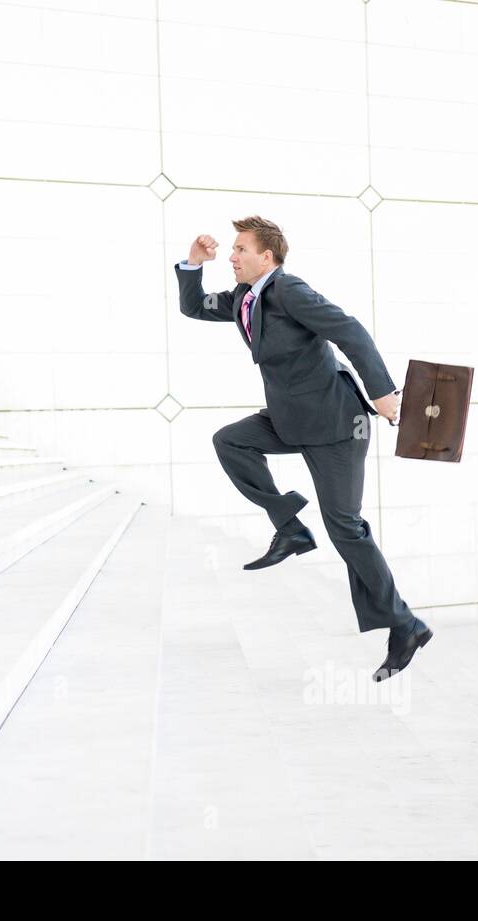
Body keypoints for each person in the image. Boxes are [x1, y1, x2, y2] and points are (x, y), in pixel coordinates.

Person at [174, 216, 431, 681]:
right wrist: (193, 264)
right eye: (231, 250)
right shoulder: (242, 300)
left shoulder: (290, 290)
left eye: (240, 250)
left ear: (267, 257)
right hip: (292, 419)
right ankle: (290, 528)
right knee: (230, 441)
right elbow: (193, 308)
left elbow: (349, 331)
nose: (231, 257)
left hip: (337, 423)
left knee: (346, 529)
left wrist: (383, 392)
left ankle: (405, 625)